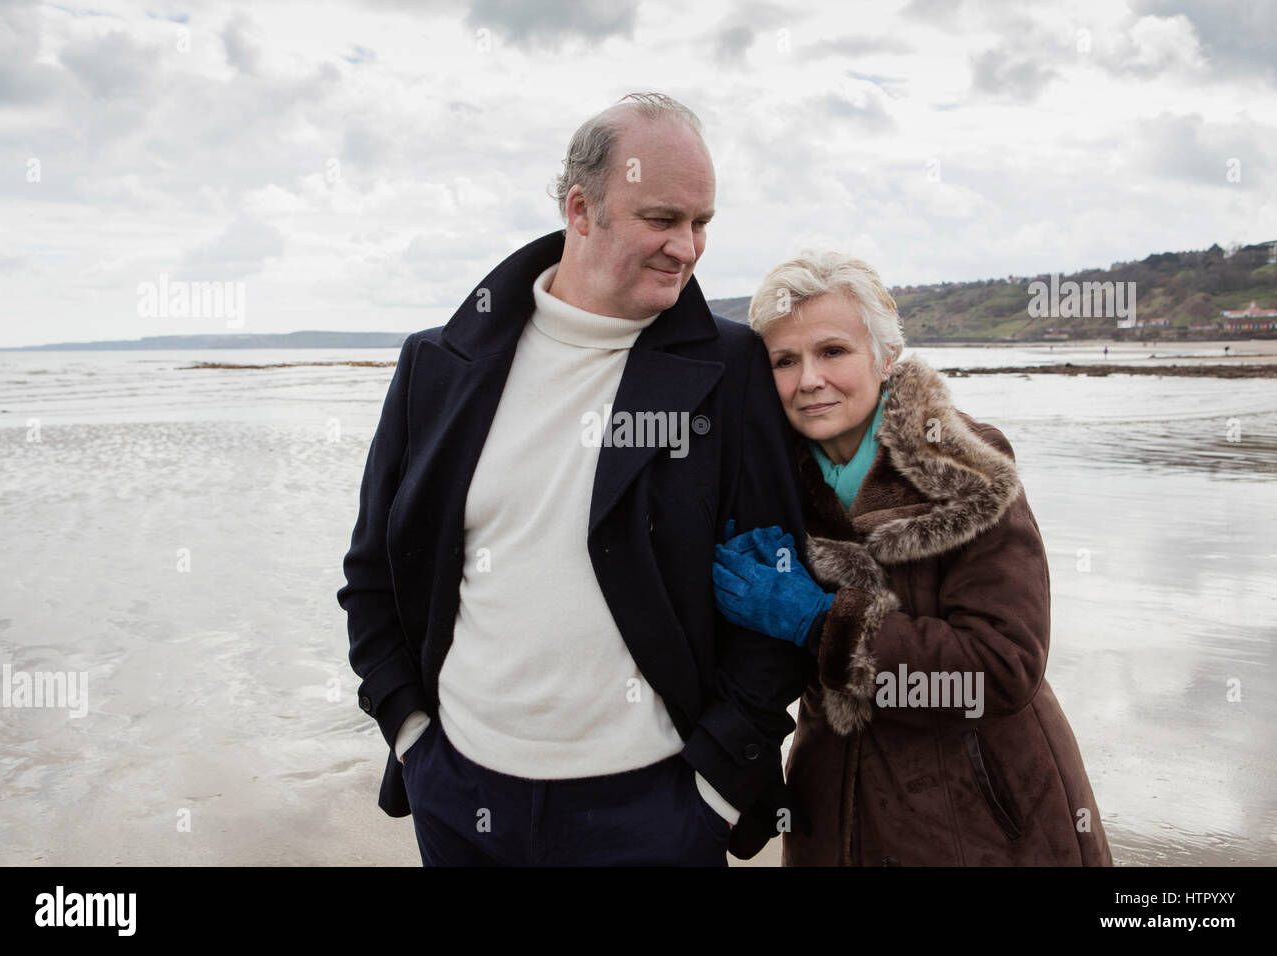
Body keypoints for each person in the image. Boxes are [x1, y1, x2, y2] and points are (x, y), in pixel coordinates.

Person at [337, 92, 810, 866]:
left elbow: (780, 590)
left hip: (656, 810)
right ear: (582, 209)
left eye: (702, 223)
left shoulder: (729, 370)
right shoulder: (438, 365)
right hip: (459, 797)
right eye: (663, 219)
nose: (686, 248)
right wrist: (410, 734)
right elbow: (372, 574)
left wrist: (713, 793)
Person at [712, 251, 1113, 865]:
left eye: (833, 352)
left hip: (979, 816)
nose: (809, 379)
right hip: (832, 810)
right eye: (785, 361)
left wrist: (821, 623)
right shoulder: (771, 485)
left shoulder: (962, 466)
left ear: (885, 356)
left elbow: (1002, 667)